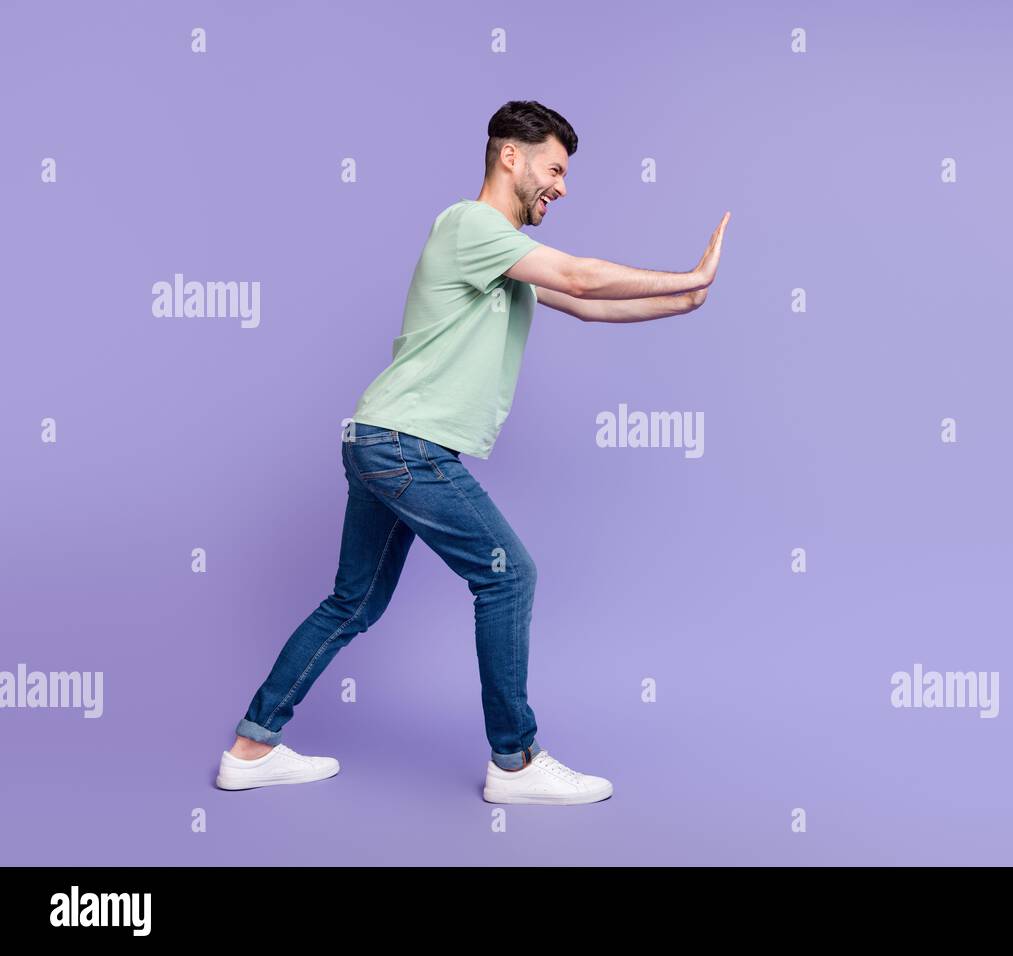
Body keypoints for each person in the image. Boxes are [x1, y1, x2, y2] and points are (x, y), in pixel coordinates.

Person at [215, 100, 730, 804]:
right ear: (509, 156)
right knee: (508, 576)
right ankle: (514, 761)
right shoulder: (473, 226)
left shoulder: (501, 255)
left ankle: (251, 748)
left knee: (352, 602)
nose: (563, 187)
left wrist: (685, 300)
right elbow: (580, 278)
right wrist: (684, 273)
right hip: (406, 445)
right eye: (555, 168)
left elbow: (585, 305)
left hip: (379, 439)